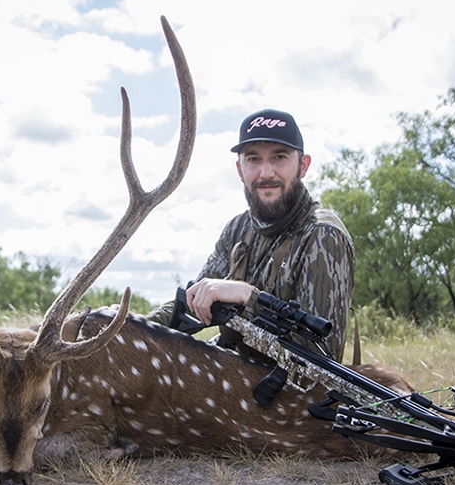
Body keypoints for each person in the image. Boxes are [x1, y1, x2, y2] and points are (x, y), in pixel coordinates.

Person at [147, 109, 355, 363]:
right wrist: (131, 325)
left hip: (291, 396)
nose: (266, 173)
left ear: (303, 165)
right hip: (237, 376)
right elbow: (191, 301)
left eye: (279, 157)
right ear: (239, 169)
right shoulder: (237, 229)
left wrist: (248, 296)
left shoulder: (323, 235)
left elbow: (321, 359)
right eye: (253, 159)